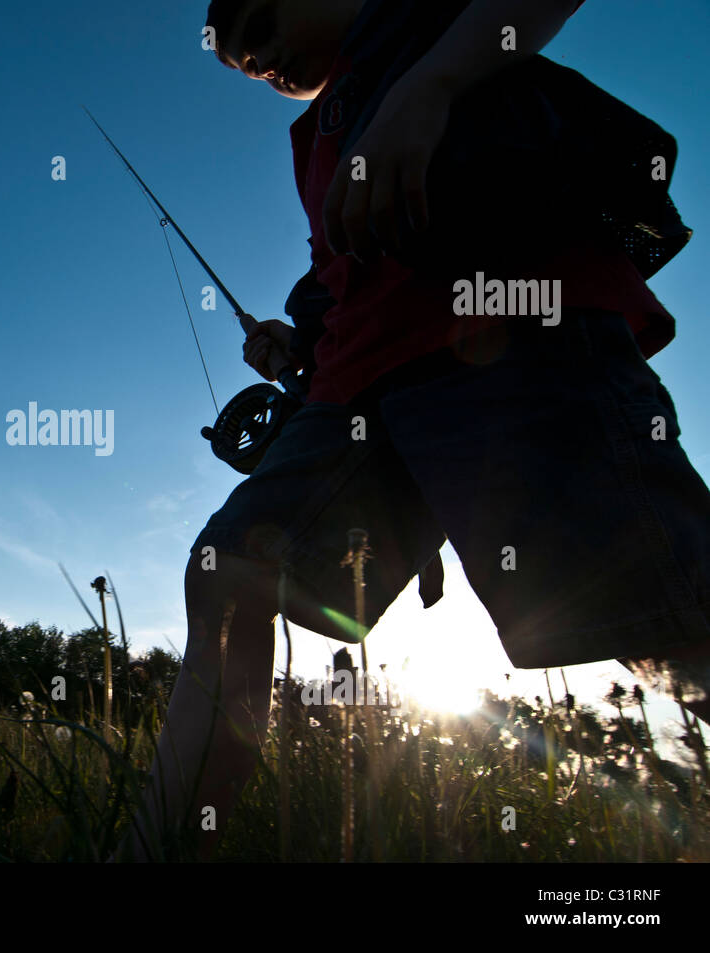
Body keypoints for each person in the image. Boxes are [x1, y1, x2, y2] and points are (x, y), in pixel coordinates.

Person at [115, 0, 707, 861]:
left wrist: (429, 85)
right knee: (229, 572)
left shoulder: (423, 20)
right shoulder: (309, 139)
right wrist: (299, 344)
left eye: (262, 23)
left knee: (664, 624)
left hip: (522, 340)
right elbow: (348, 273)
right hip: (356, 396)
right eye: (242, 61)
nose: (255, 57)